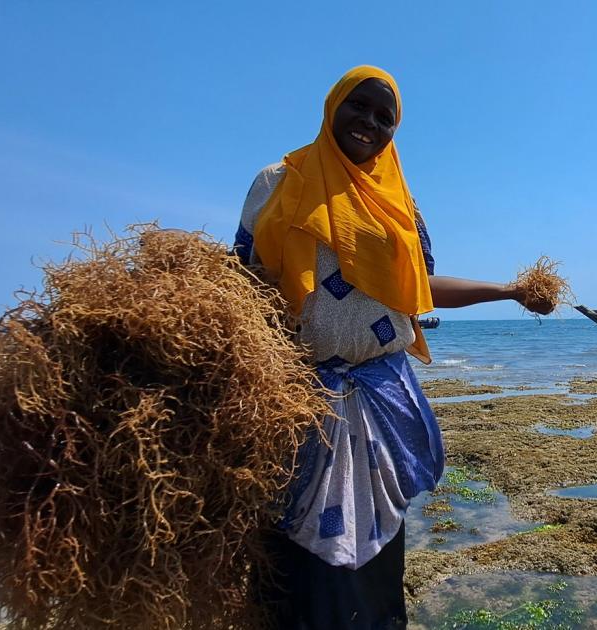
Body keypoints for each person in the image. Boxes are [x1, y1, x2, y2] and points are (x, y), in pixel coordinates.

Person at [234, 65, 551, 629]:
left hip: (379, 398)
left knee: (374, 564)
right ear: (332, 106)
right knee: (295, 559)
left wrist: (509, 290)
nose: (370, 123)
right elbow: (242, 281)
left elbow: (419, 290)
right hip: (298, 399)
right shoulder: (278, 181)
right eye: (359, 106)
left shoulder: (400, 202)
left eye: (386, 118)